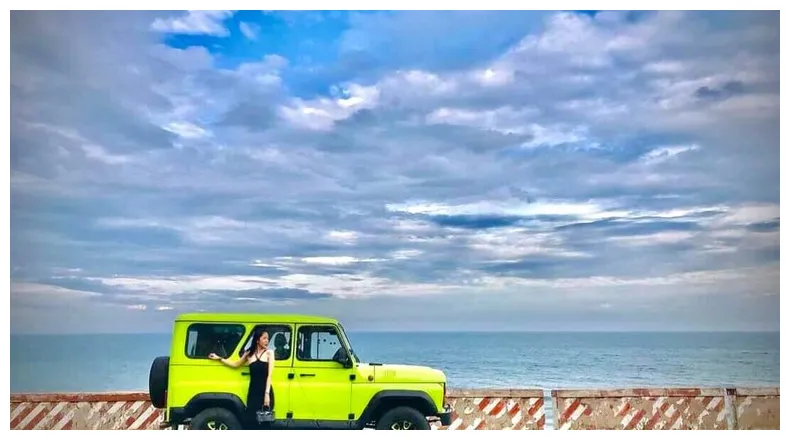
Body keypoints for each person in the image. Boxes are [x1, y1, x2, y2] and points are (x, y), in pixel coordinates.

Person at [209, 328, 275, 429]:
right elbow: (236, 364)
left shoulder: (269, 353)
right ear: (257, 340)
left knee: (265, 423)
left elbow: (269, 375)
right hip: (253, 392)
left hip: (265, 391)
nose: (267, 341)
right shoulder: (249, 354)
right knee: (250, 421)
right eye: (264, 338)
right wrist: (219, 358)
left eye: (268, 339)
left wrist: (267, 394)